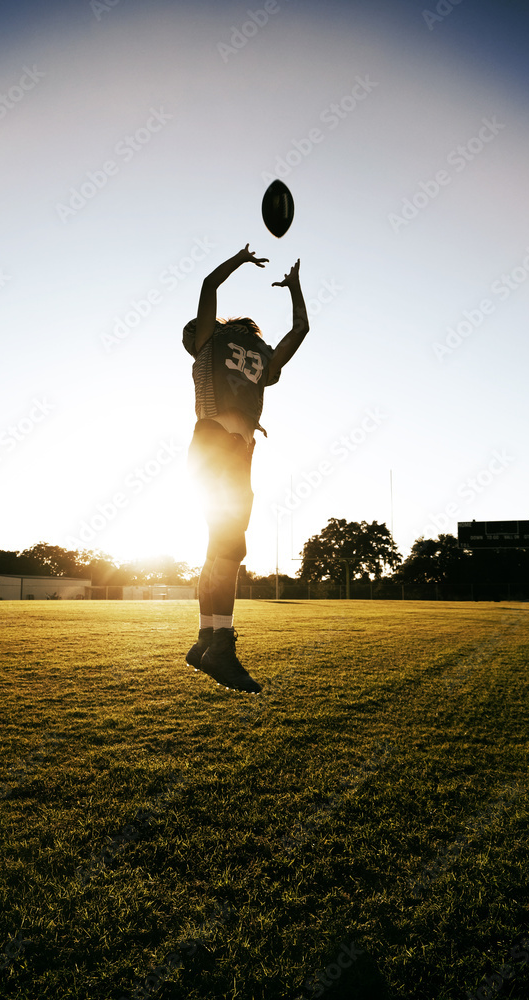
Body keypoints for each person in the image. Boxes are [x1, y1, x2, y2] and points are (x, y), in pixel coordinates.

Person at [183, 243, 309, 692]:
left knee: (217, 552)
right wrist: (294, 288)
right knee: (230, 550)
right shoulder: (260, 356)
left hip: (217, 447)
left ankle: (205, 640)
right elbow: (301, 328)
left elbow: (208, 284)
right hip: (224, 448)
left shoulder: (210, 341)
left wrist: (238, 261)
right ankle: (220, 646)